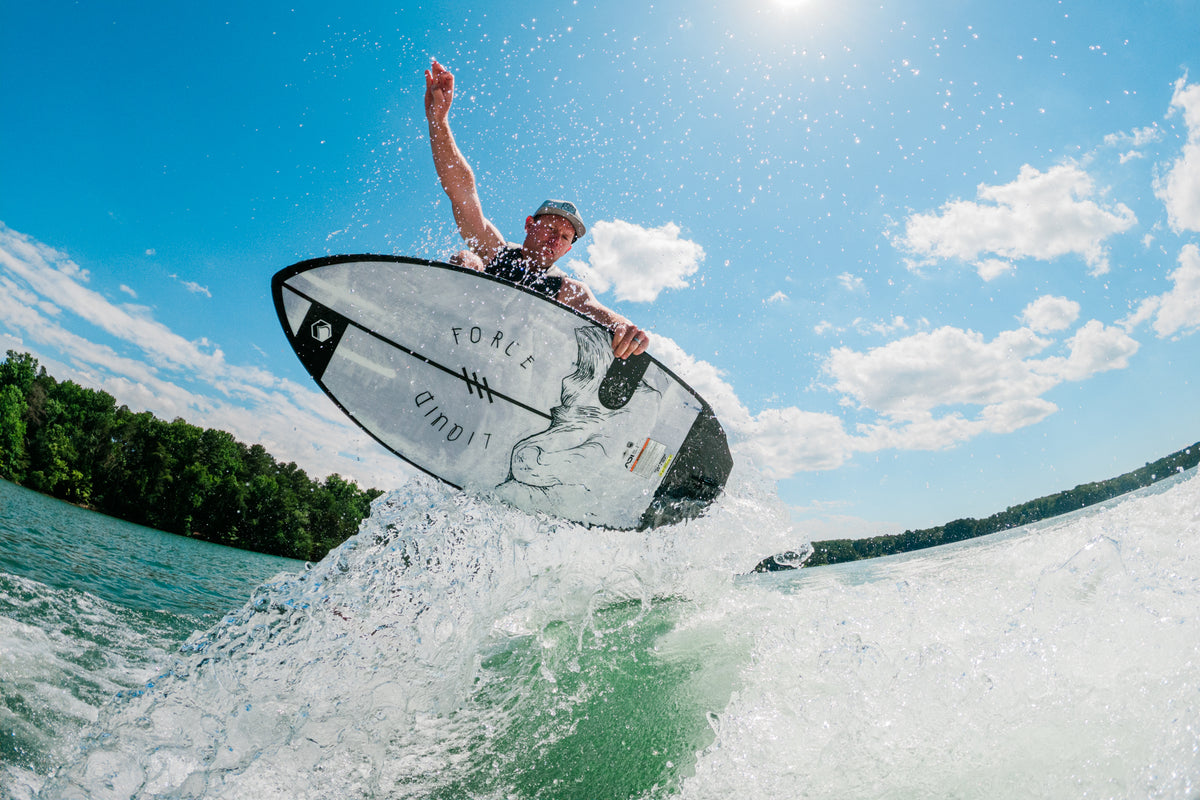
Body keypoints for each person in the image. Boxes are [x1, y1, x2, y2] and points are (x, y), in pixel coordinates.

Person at [423, 58, 649, 360]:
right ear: (529, 225)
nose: (557, 240)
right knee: (468, 258)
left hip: (518, 364)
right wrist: (439, 120)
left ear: (568, 251)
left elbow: (598, 311)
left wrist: (625, 329)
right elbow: (462, 192)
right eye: (552, 229)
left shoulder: (566, 288)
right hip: (458, 343)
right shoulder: (495, 251)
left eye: (566, 238)